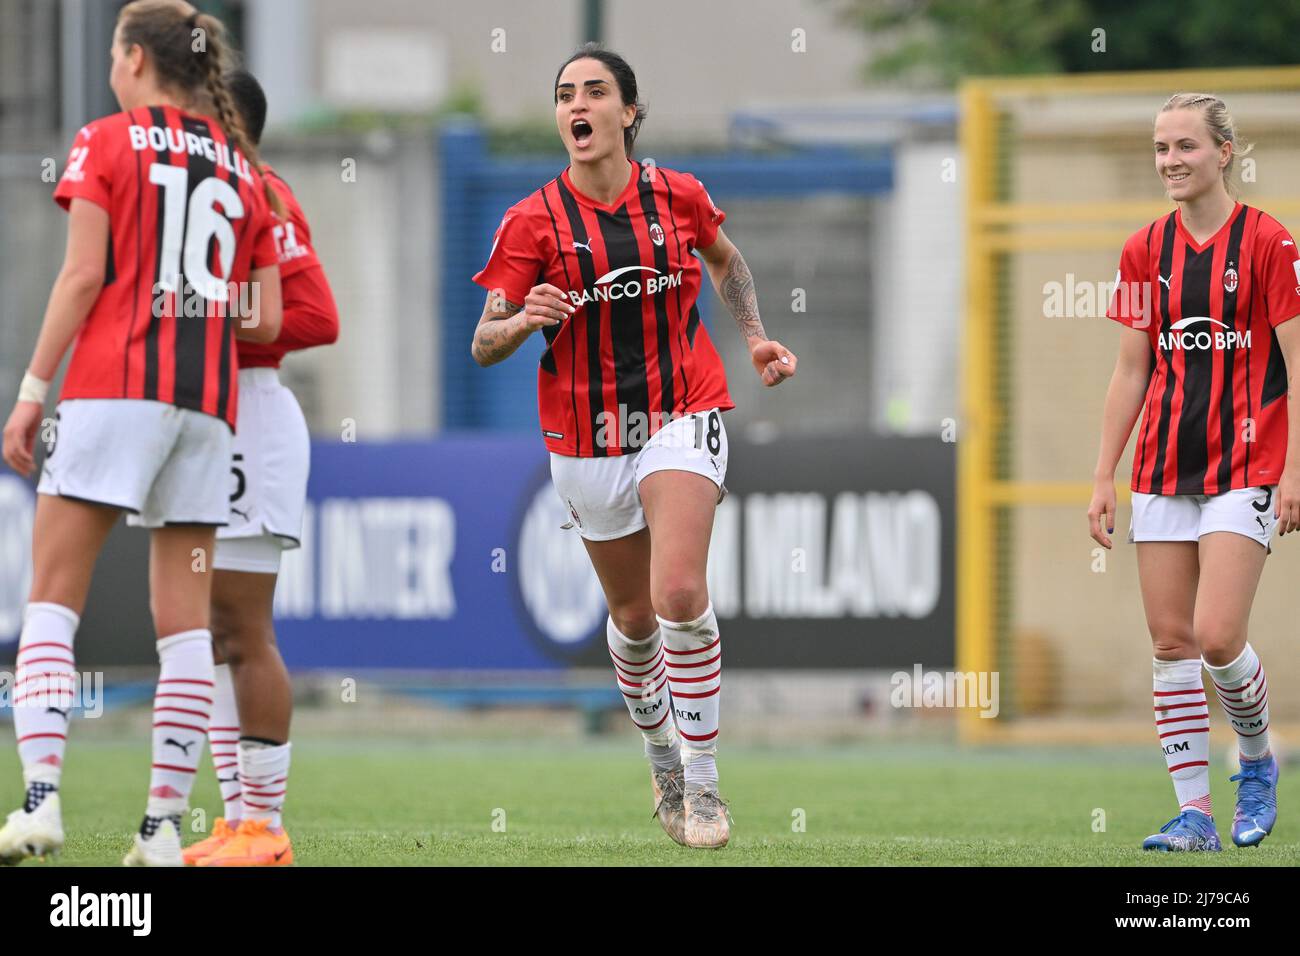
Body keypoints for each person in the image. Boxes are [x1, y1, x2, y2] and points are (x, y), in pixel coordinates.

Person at [471, 43, 797, 849]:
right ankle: (665, 764)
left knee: (678, 593)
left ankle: (709, 790)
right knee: (632, 619)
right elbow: (482, 342)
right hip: (587, 439)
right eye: (563, 95)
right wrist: (519, 321)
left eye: (592, 92)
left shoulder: (678, 196)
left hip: (684, 408)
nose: (575, 105)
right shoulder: (530, 221)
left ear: (628, 113)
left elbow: (725, 260)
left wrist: (754, 337)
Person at [0, 0, 282, 867]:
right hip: (205, 410)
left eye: (117, 54)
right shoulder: (241, 166)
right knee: (185, 630)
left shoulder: (106, 141)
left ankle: (40, 806)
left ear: (131, 60)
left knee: (51, 601)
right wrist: (189, 311)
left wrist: (30, 391)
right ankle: (161, 832)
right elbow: (266, 320)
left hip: (110, 391)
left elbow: (84, 274)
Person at [1089, 92, 1300, 851]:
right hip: (1161, 466)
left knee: (1216, 636)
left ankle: (1254, 758)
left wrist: (1296, 470)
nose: (1171, 161)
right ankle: (1196, 817)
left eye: (1185, 146)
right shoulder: (1145, 249)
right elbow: (1130, 370)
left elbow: (1299, 360)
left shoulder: (1271, 243)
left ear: (1224, 152)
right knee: (1172, 642)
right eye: (1161, 148)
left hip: (1248, 464)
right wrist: (1103, 474)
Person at [174, 69, 339, 868]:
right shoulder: (192, 191)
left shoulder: (262, 193)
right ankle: (237, 822)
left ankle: (267, 828)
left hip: (251, 415)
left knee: (242, 626)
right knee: (206, 632)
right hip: (200, 417)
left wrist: (197, 316)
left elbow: (315, 316)